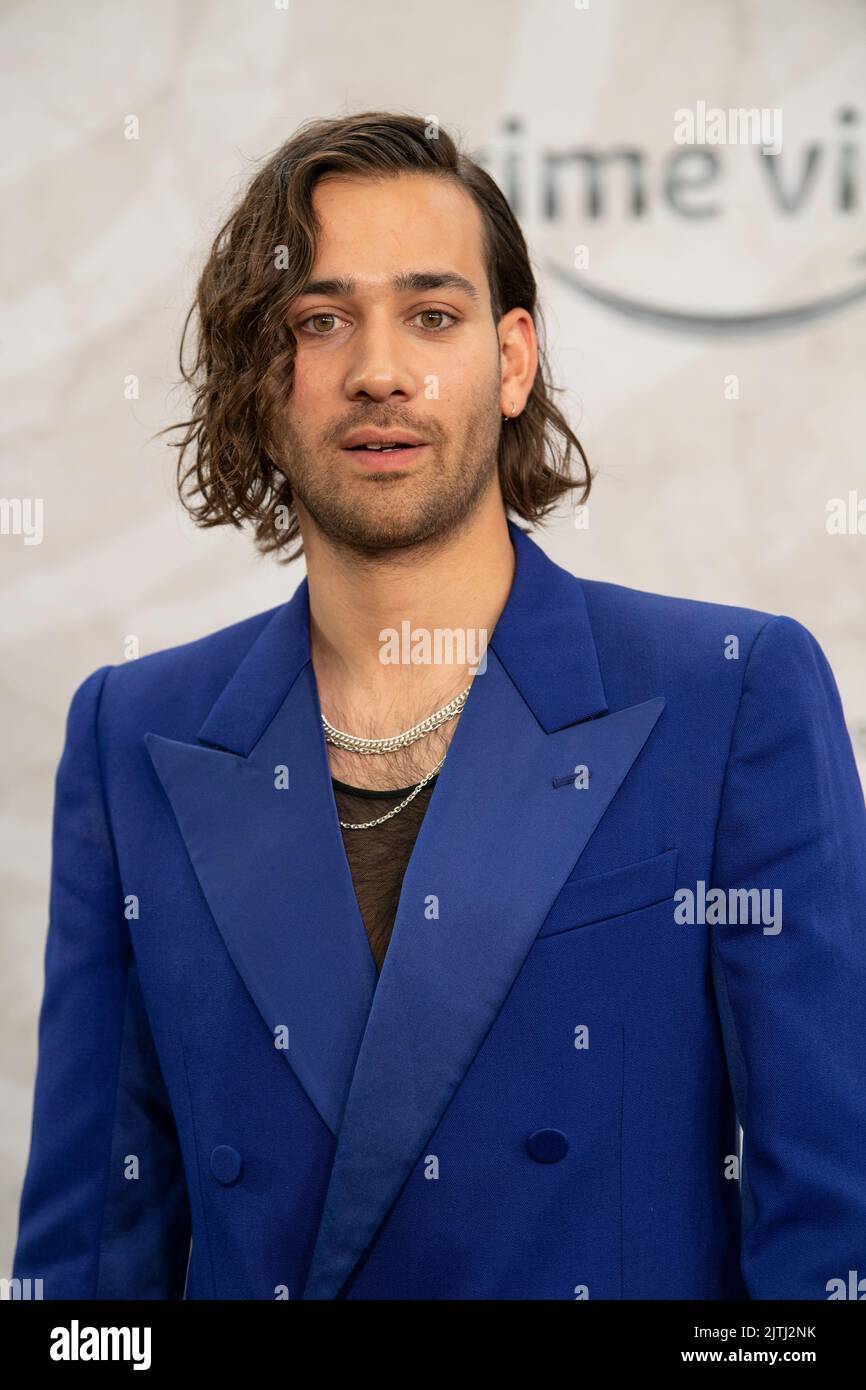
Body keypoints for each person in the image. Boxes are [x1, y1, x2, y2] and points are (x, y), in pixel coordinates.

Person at [12, 111, 866, 1301]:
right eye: (320, 321)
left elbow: (830, 1229)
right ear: (267, 380)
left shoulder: (729, 692)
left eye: (431, 314)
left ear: (511, 361)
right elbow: (87, 1272)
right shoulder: (132, 733)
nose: (378, 368)